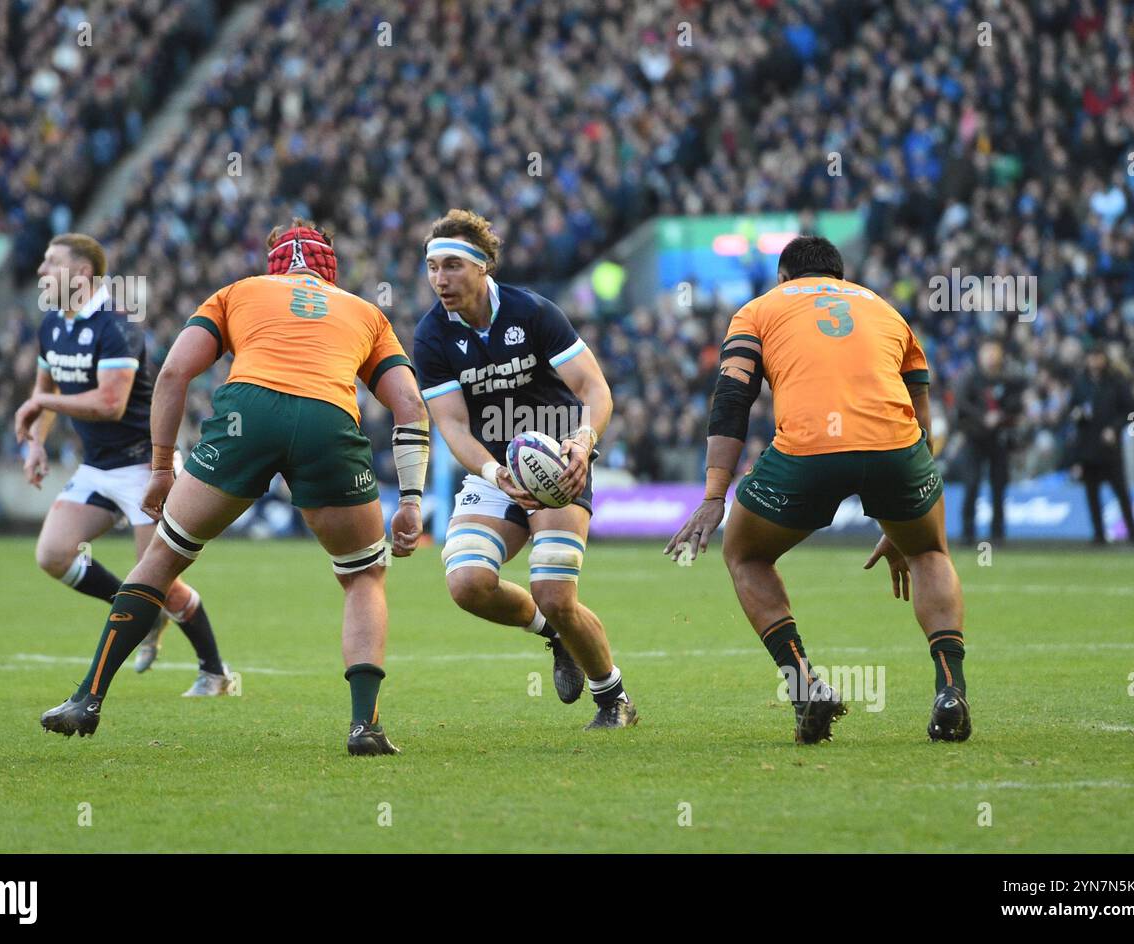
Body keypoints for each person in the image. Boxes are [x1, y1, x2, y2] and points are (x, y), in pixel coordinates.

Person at [38, 220, 429, 756]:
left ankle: (88, 698)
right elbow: (409, 407)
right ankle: (366, 727)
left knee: (162, 558)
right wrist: (410, 500)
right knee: (364, 575)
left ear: (274, 264)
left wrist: (160, 468)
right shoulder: (366, 312)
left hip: (249, 414)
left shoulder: (238, 292)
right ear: (330, 267)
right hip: (327, 423)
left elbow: (175, 372)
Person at [666, 235, 971, 744]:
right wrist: (908, 509)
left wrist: (714, 496)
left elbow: (731, 401)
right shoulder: (884, 309)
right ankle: (950, 689)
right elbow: (921, 407)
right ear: (839, 277)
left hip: (809, 449)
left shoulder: (758, 310)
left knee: (745, 554)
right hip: (897, 445)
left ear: (784, 277)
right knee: (928, 550)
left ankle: (804, 685)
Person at [413, 209, 637, 730]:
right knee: (467, 583)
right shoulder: (430, 337)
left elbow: (593, 388)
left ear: (484, 266)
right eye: (432, 268)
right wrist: (495, 475)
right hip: (494, 469)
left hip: (558, 465)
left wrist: (583, 442)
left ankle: (614, 698)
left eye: (452, 266)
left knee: (556, 594)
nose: (440, 280)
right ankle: (554, 636)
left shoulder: (532, 311)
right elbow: (453, 428)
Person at [14, 233, 228, 696]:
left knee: (164, 583)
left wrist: (39, 402)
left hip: (145, 466)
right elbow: (46, 394)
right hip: (97, 468)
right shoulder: (52, 324)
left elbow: (110, 403)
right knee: (52, 554)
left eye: (51, 263)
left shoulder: (118, 324)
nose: (41, 271)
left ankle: (215, 672)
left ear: (82, 273)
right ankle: (138, 610)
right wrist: (35, 444)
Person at [955, 339, 1023, 546]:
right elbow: (961, 404)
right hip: (975, 438)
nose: (992, 357)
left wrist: (1001, 415)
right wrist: (983, 417)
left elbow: (1016, 405)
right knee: (972, 484)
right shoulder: (970, 378)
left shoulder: (1007, 379)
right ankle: (968, 533)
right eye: (988, 352)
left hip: (998, 439)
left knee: (999, 486)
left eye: (995, 352)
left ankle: (998, 533)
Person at [1069, 347, 1134, 544]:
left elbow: (1131, 411)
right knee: (1091, 493)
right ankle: (1098, 534)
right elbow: (1072, 409)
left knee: (1121, 491)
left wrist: (1115, 428)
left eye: (1098, 357)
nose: (1095, 361)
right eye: (1092, 357)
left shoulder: (1116, 382)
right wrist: (1077, 415)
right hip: (1088, 446)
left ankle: (1133, 532)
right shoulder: (1081, 383)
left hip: (1110, 448)